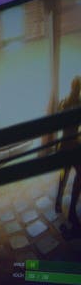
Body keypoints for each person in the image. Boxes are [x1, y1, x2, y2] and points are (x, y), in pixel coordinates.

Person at [54, 76, 81, 239]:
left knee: (64, 174)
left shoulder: (63, 102)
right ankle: (71, 209)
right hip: (72, 146)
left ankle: (59, 201)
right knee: (77, 174)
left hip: (64, 145)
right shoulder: (78, 104)